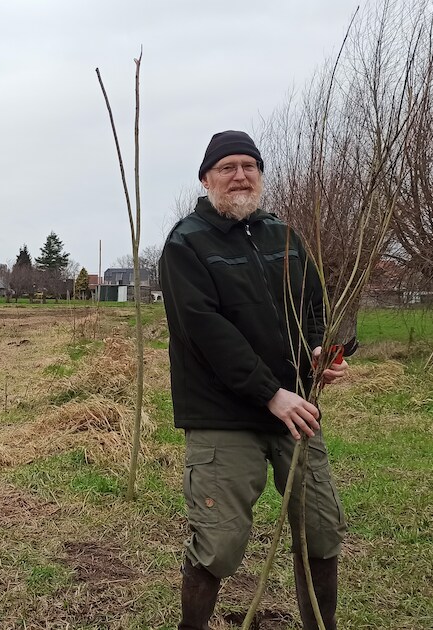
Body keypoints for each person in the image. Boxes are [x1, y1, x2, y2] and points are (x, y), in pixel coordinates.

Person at [158, 130, 349, 630]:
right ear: (207, 179)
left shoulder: (283, 236)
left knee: (320, 533)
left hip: (294, 411)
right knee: (218, 543)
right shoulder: (185, 244)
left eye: (249, 166)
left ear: (260, 176)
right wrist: (270, 393)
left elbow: (312, 305)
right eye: (227, 167)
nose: (240, 176)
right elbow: (205, 331)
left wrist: (317, 352)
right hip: (224, 414)